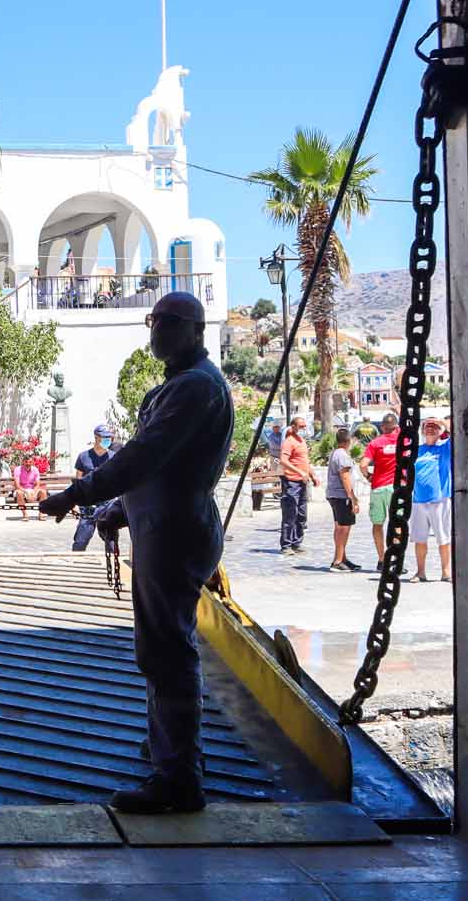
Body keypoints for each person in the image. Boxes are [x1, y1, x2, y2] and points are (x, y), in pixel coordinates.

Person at [42, 291, 233, 813]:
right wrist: (120, 511)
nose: (158, 330)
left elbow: (143, 457)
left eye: (172, 322)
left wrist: (77, 496)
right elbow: (162, 467)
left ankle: (178, 779)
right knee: (163, 645)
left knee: (167, 650)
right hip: (163, 526)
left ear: (197, 331)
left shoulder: (195, 389)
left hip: (173, 533)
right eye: (155, 320)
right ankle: (172, 747)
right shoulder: (184, 385)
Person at [410, 416, 453, 582]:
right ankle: (420, 572)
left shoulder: (444, 448)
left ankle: (446, 571)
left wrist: (440, 421)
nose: (430, 429)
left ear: (439, 432)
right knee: (420, 539)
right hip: (419, 501)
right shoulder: (416, 450)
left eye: (434, 427)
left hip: (440, 500)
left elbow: (455, 432)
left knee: (443, 538)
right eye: (427, 426)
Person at [361, 413, 401, 566]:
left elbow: (363, 465)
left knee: (378, 524)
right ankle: (395, 559)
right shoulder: (401, 440)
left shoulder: (376, 443)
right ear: (396, 427)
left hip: (378, 487)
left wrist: (369, 477)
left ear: (382, 427)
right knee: (397, 524)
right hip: (395, 488)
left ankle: (381, 559)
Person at [278, 415, 317, 557]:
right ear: (293, 427)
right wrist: (299, 471)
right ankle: (286, 545)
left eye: (304, 426)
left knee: (301, 514)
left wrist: (312, 475)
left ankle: (296, 542)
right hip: (291, 482)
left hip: (303, 482)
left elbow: (304, 461)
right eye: (301, 426)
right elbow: (283, 460)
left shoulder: (302, 441)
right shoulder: (289, 442)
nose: (303, 428)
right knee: (290, 514)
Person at [71, 425, 114, 552]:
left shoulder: (114, 457)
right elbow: (78, 481)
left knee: (111, 541)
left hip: (107, 503)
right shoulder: (83, 457)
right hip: (88, 504)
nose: (108, 440)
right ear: (96, 438)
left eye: (109, 437)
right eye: (105, 437)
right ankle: (76, 566)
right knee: (80, 541)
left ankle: (112, 567)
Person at [325, 428, 363, 571]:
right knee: (344, 529)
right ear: (348, 441)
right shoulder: (342, 456)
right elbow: (345, 477)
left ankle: (343, 558)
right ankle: (338, 561)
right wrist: (353, 498)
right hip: (342, 496)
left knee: (339, 527)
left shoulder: (336, 453)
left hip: (335, 495)